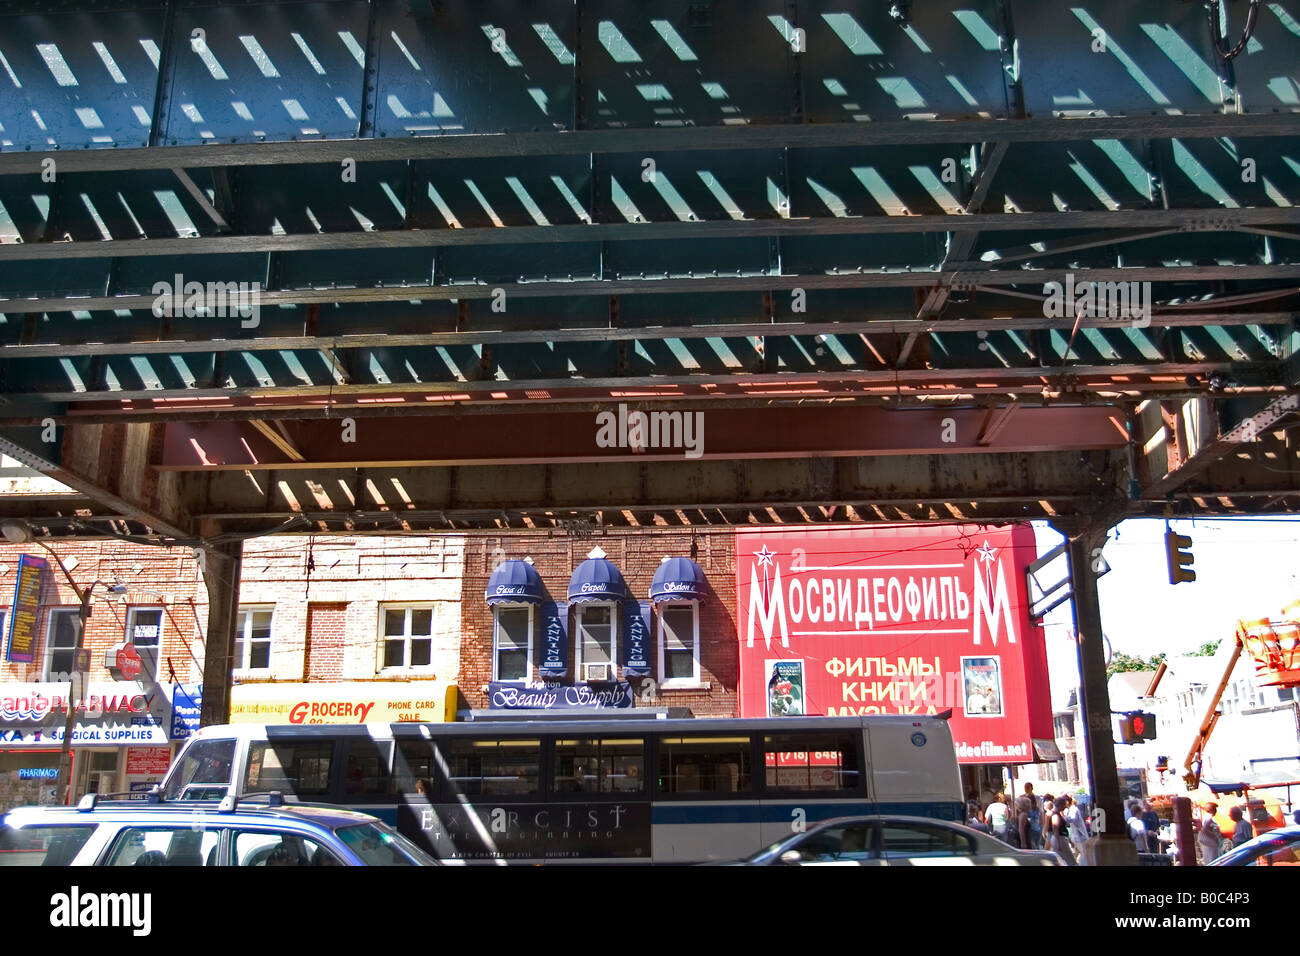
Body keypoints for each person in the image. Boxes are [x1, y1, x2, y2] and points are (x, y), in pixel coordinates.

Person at [1065, 795, 1095, 866]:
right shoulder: (1070, 809)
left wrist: (1063, 818)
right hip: (1076, 837)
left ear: (1067, 802)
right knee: (1077, 856)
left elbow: (1072, 819)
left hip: (1080, 837)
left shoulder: (1073, 809)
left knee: (1084, 855)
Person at [1048, 796, 1076, 864]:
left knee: (1063, 859)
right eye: (1064, 805)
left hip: (1060, 838)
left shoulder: (1057, 814)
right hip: (1059, 839)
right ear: (1060, 805)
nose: (1065, 807)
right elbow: (1056, 830)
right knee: (1069, 860)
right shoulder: (1056, 816)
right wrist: (1058, 843)